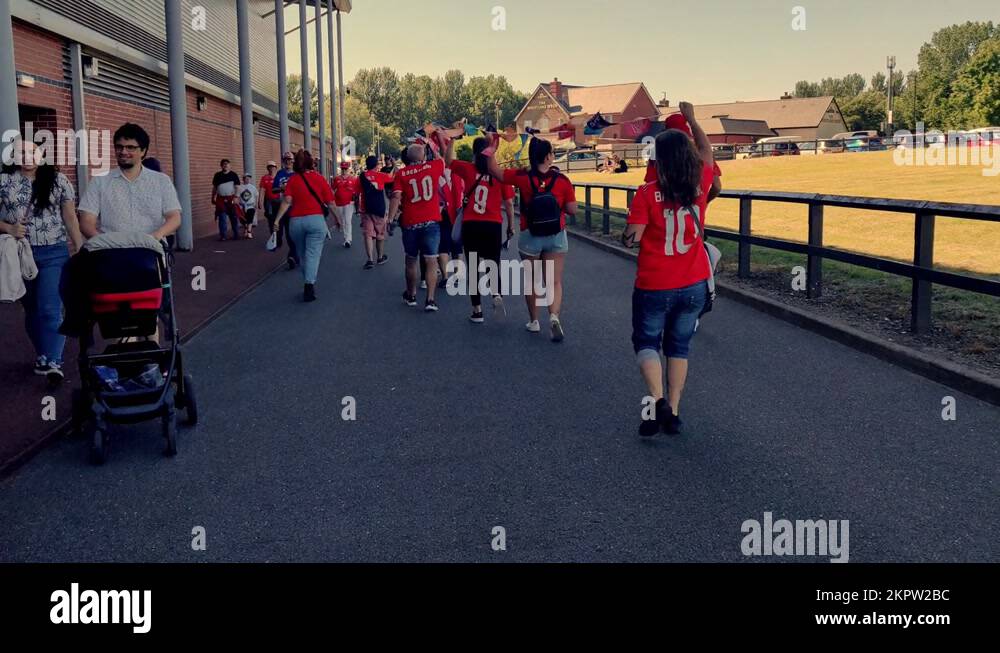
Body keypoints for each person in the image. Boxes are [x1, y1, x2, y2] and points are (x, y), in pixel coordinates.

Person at [621, 102, 714, 437]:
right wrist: (692, 119)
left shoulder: (646, 194)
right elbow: (706, 152)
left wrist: (628, 230)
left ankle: (656, 398)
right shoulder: (699, 185)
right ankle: (673, 411)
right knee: (679, 346)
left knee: (647, 341)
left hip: (655, 283)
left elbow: (632, 240)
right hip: (692, 282)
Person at [0, 140, 83, 384]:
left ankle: (54, 361)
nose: (26, 156)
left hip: (54, 253)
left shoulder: (58, 180)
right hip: (19, 255)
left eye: (31, 151)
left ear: (40, 154)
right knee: (32, 311)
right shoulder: (4, 182)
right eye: (20, 153)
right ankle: (43, 354)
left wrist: (79, 247)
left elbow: (70, 218)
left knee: (50, 309)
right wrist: (8, 227)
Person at [487, 137, 576, 342]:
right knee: (553, 281)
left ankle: (534, 321)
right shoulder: (562, 180)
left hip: (530, 235)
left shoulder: (522, 177)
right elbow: (572, 210)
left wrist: (492, 149)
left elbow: (496, 172)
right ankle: (553, 316)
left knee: (532, 280)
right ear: (548, 156)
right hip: (556, 235)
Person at [445, 136, 516, 323]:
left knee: (473, 267)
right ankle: (496, 295)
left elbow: (448, 161)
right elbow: (509, 204)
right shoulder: (500, 175)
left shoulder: (468, 169)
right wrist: (511, 225)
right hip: (493, 224)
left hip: (471, 223)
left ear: (475, 153)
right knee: (493, 263)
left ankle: (477, 311)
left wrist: (451, 140)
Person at [78, 123, 181, 242]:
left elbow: (174, 217)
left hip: (151, 249)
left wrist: (156, 236)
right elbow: (86, 222)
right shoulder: (99, 181)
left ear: (143, 151)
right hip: (112, 252)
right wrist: (105, 243)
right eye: (119, 147)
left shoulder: (161, 181)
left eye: (130, 147)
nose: (123, 152)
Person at [272, 149, 338, 302]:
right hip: (316, 220)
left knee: (301, 254)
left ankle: (307, 280)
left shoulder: (293, 180)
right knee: (313, 254)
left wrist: (277, 220)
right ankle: (309, 284)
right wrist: (338, 219)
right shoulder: (319, 178)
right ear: (311, 163)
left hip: (296, 221)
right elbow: (331, 203)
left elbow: (287, 201)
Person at [387, 142, 446, 312]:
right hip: (431, 222)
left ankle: (411, 295)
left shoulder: (402, 174)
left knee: (411, 260)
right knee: (431, 261)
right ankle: (430, 299)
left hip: (410, 222)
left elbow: (396, 197)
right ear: (423, 156)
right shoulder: (433, 167)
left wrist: (390, 218)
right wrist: (434, 147)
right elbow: (441, 158)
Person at [358, 155, 394, 269]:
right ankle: (380, 257)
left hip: (366, 209)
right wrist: (393, 164)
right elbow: (393, 177)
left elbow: (357, 192)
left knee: (368, 234)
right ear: (376, 165)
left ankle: (370, 259)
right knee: (380, 234)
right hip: (379, 209)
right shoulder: (381, 175)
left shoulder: (361, 176)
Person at [271, 152, 299, 270]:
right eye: (286, 160)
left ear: (293, 161)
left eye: (290, 159)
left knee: (294, 233)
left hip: (296, 207)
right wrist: (281, 188)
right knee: (287, 233)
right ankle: (293, 255)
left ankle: (294, 255)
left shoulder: (297, 174)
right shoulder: (280, 174)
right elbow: (274, 189)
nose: (288, 162)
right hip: (284, 207)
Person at [331, 161, 360, 248]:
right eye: (342, 169)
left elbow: (357, 192)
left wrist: (356, 204)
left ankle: (348, 240)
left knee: (347, 221)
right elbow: (332, 190)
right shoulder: (336, 179)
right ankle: (345, 238)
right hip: (338, 203)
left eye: (345, 169)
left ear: (348, 169)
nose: (344, 170)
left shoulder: (353, 179)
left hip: (349, 203)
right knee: (342, 221)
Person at [212, 159, 241, 241]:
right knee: (222, 217)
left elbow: (237, 187)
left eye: (227, 164)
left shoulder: (233, 175)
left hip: (231, 198)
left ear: (229, 165)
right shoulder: (217, 175)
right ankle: (223, 236)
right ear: (221, 166)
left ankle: (236, 234)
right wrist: (213, 197)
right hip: (220, 199)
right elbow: (215, 188)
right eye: (224, 164)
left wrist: (236, 197)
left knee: (233, 216)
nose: (225, 166)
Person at [259, 161, 280, 236]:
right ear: (267, 168)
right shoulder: (264, 178)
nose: (271, 168)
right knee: (271, 219)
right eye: (269, 167)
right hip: (269, 202)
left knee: (279, 218)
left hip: (279, 201)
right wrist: (260, 201)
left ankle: (278, 235)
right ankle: (273, 235)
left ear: (275, 168)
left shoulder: (279, 177)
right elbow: (262, 190)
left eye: (273, 167)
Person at [236, 173, 258, 239]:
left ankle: (249, 232)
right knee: (243, 220)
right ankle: (246, 228)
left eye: (249, 178)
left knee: (250, 218)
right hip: (242, 206)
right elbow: (237, 196)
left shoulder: (252, 187)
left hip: (251, 205)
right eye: (246, 178)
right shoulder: (240, 187)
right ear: (243, 179)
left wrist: (256, 204)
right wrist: (237, 205)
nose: (247, 179)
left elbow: (256, 195)